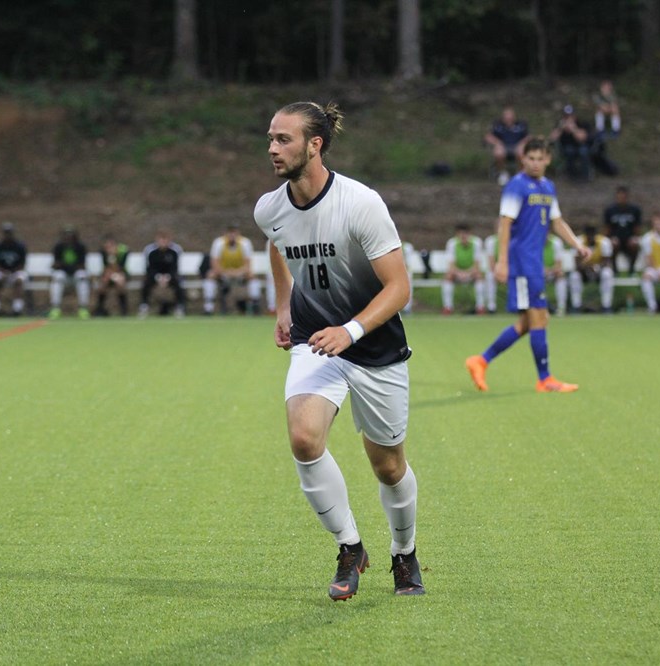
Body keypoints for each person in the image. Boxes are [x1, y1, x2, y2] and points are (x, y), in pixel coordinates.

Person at [256, 100, 423, 600]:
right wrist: (284, 305)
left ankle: (404, 552)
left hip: (373, 346)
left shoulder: (360, 202)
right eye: (269, 137)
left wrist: (350, 330)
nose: (271, 148)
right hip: (314, 340)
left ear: (315, 144)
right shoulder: (270, 207)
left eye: (283, 139)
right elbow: (276, 242)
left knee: (388, 467)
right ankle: (350, 546)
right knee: (305, 440)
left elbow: (398, 288)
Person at [465, 137, 591, 394]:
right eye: (530, 158)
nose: (535, 163)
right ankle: (544, 379)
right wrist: (502, 262)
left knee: (530, 321)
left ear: (547, 159)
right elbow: (505, 223)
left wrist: (577, 245)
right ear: (523, 159)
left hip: (534, 261)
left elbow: (557, 222)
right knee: (538, 318)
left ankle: (481, 360)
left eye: (539, 158)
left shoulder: (547, 187)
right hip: (522, 261)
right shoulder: (516, 186)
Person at [202, 224, 262, 315]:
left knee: (252, 276)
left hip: (239, 273)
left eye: (234, 233)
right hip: (223, 273)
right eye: (230, 233)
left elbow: (247, 265)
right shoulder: (218, 243)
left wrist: (237, 272)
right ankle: (208, 307)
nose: (232, 236)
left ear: (238, 234)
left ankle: (255, 305)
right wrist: (226, 272)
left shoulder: (245, 243)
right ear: (226, 234)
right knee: (210, 275)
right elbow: (214, 264)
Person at [139, 231, 185, 318]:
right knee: (146, 283)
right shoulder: (151, 252)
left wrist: (168, 277)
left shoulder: (174, 251)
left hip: (169, 276)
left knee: (178, 283)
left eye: (165, 240)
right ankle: (144, 306)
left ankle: (180, 307)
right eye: (161, 240)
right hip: (155, 276)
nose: (163, 242)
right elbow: (150, 268)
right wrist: (158, 277)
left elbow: (174, 268)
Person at [441, 224, 485, 315]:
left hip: (471, 273)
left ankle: (480, 307)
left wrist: (468, 273)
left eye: (466, 234)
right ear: (457, 234)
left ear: (470, 234)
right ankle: (448, 307)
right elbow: (451, 265)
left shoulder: (477, 243)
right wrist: (460, 273)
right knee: (448, 276)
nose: (463, 236)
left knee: (479, 276)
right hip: (457, 273)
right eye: (461, 234)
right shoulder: (452, 243)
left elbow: (477, 265)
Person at [569, 224, 614, 313]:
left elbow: (607, 262)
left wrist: (597, 268)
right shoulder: (578, 242)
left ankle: (606, 306)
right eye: (588, 236)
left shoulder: (604, 242)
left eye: (592, 235)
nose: (590, 238)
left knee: (607, 274)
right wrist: (587, 268)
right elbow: (577, 263)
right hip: (583, 272)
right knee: (574, 276)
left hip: (599, 271)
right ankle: (576, 306)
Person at [48, 226, 90, 320]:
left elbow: (82, 265)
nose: (69, 238)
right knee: (57, 276)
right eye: (66, 236)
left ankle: (83, 308)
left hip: (75, 276)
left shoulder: (80, 247)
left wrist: (66, 266)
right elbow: (55, 265)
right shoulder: (59, 247)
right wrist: (67, 266)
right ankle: (55, 308)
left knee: (82, 276)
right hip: (64, 276)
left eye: (71, 235)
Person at [483, 106, 530, 186]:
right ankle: (502, 173)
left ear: (514, 117)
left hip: (517, 146)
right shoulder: (498, 126)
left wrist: (522, 143)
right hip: (503, 147)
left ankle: (520, 174)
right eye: (506, 117)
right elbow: (488, 137)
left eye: (510, 116)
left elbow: (529, 137)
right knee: (499, 152)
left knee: (521, 151)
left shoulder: (521, 125)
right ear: (503, 117)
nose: (508, 119)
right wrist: (497, 142)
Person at [0, 222, 28, 317]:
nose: (8, 235)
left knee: (18, 280)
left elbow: (22, 263)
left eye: (9, 233)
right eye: (6, 233)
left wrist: (12, 272)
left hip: (16, 271)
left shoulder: (19, 246)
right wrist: (4, 272)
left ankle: (17, 309)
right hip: (2, 271)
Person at [603, 185, 642, 274]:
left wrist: (635, 237)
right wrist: (608, 238)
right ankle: (615, 269)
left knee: (634, 243)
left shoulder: (635, 210)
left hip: (629, 238)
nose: (621, 198)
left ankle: (632, 269)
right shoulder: (610, 210)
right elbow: (607, 228)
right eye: (619, 196)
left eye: (623, 196)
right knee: (613, 243)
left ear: (627, 197)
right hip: (616, 238)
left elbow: (637, 227)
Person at [548, 105, 591, 181]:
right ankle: (571, 174)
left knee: (583, 151)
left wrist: (573, 129)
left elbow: (582, 138)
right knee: (569, 151)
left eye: (570, 116)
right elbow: (552, 139)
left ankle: (585, 175)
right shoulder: (560, 124)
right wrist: (560, 128)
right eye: (566, 116)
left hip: (581, 147)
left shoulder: (581, 123)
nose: (568, 118)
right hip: (567, 148)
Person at [482, 231, 499, 314]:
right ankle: (491, 307)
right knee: (490, 276)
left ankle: (519, 306)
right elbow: (491, 262)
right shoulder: (491, 241)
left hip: (512, 270)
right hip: (497, 271)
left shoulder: (514, 239)